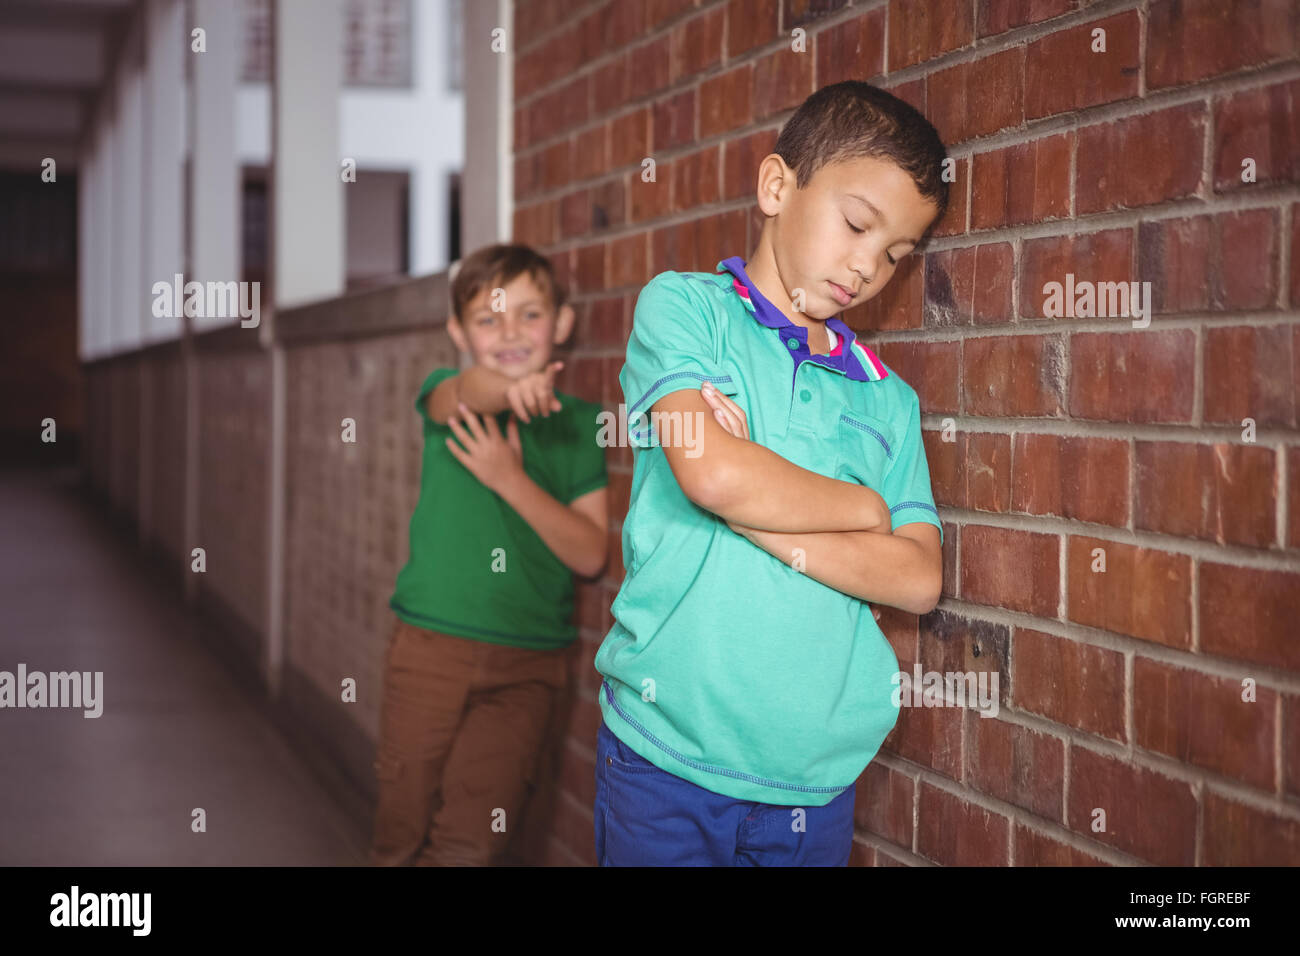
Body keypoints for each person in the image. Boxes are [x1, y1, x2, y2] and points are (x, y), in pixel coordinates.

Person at [593, 81, 948, 866]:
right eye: (857, 224)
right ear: (777, 186)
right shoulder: (683, 311)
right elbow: (711, 476)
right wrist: (861, 508)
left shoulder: (889, 401)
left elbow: (918, 578)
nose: (866, 266)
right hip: (663, 755)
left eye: (895, 254)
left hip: (811, 785)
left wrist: (749, 495)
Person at [371, 243, 609, 866]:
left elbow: (589, 554)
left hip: (527, 666)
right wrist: (509, 391)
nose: (509, 332)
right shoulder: (445, 397)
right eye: (488, 318)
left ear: (562, 324)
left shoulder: (580, 424)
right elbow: (471, 390)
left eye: (530, 315)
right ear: (458, 332)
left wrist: (510, 479)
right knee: (401, 835)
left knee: (470, 848)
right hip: (430, 651)